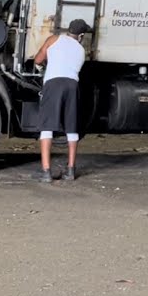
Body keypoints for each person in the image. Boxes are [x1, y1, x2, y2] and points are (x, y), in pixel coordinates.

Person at [33, 18, 90, 183]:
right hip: (72, 86)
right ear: (81, 36)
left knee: (47, 127)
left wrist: (43, 65)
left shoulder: (54, 39)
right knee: (72, 127)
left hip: (54, 84)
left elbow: (38, 60)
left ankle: (46, 172)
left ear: (68, 30)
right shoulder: (81, 50)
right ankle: (71, 171)